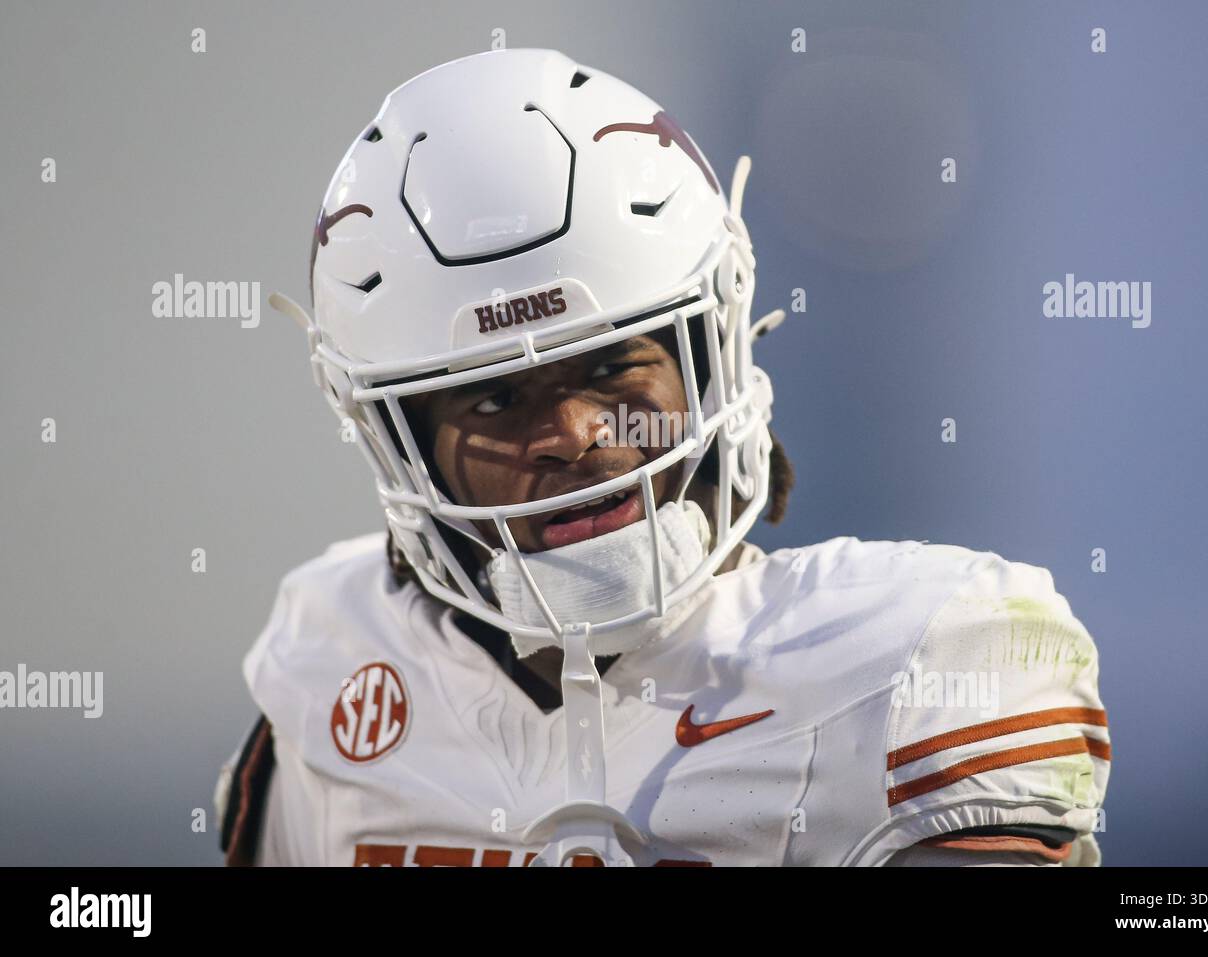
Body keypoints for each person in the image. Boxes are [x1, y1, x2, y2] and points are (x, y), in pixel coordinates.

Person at [215, 48, 1110, 867]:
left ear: (710, 353)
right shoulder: (331, 670)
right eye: (493, 396)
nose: (572, 432)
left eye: (612, 365)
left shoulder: (912, 664)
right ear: (400, 439)